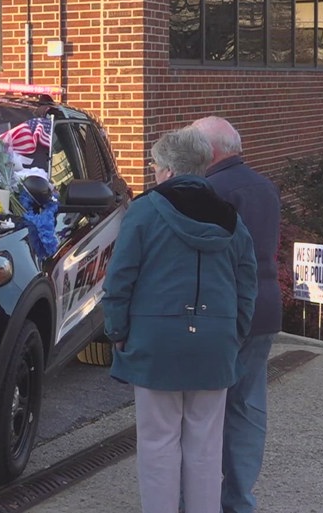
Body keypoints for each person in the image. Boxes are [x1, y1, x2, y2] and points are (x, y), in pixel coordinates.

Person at [102, 127, 257, 513]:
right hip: (215, 340)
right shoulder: (230, 218)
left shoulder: (144, 211)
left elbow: (120, 278)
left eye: (155, 166)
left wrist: (117, 330)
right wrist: (236, 330)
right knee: (206, 446)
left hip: (155, 341)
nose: (154, 172)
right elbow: (246, 282)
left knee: (158, 442)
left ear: (168, 170)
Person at [191, 116, 282, 513]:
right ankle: (240, 500)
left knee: (202, 413)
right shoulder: (265, 188)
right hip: (265, 308)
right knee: (247, 408)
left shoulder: (209, 191)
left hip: (223, 313)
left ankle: (197, 500)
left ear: (209, 151)